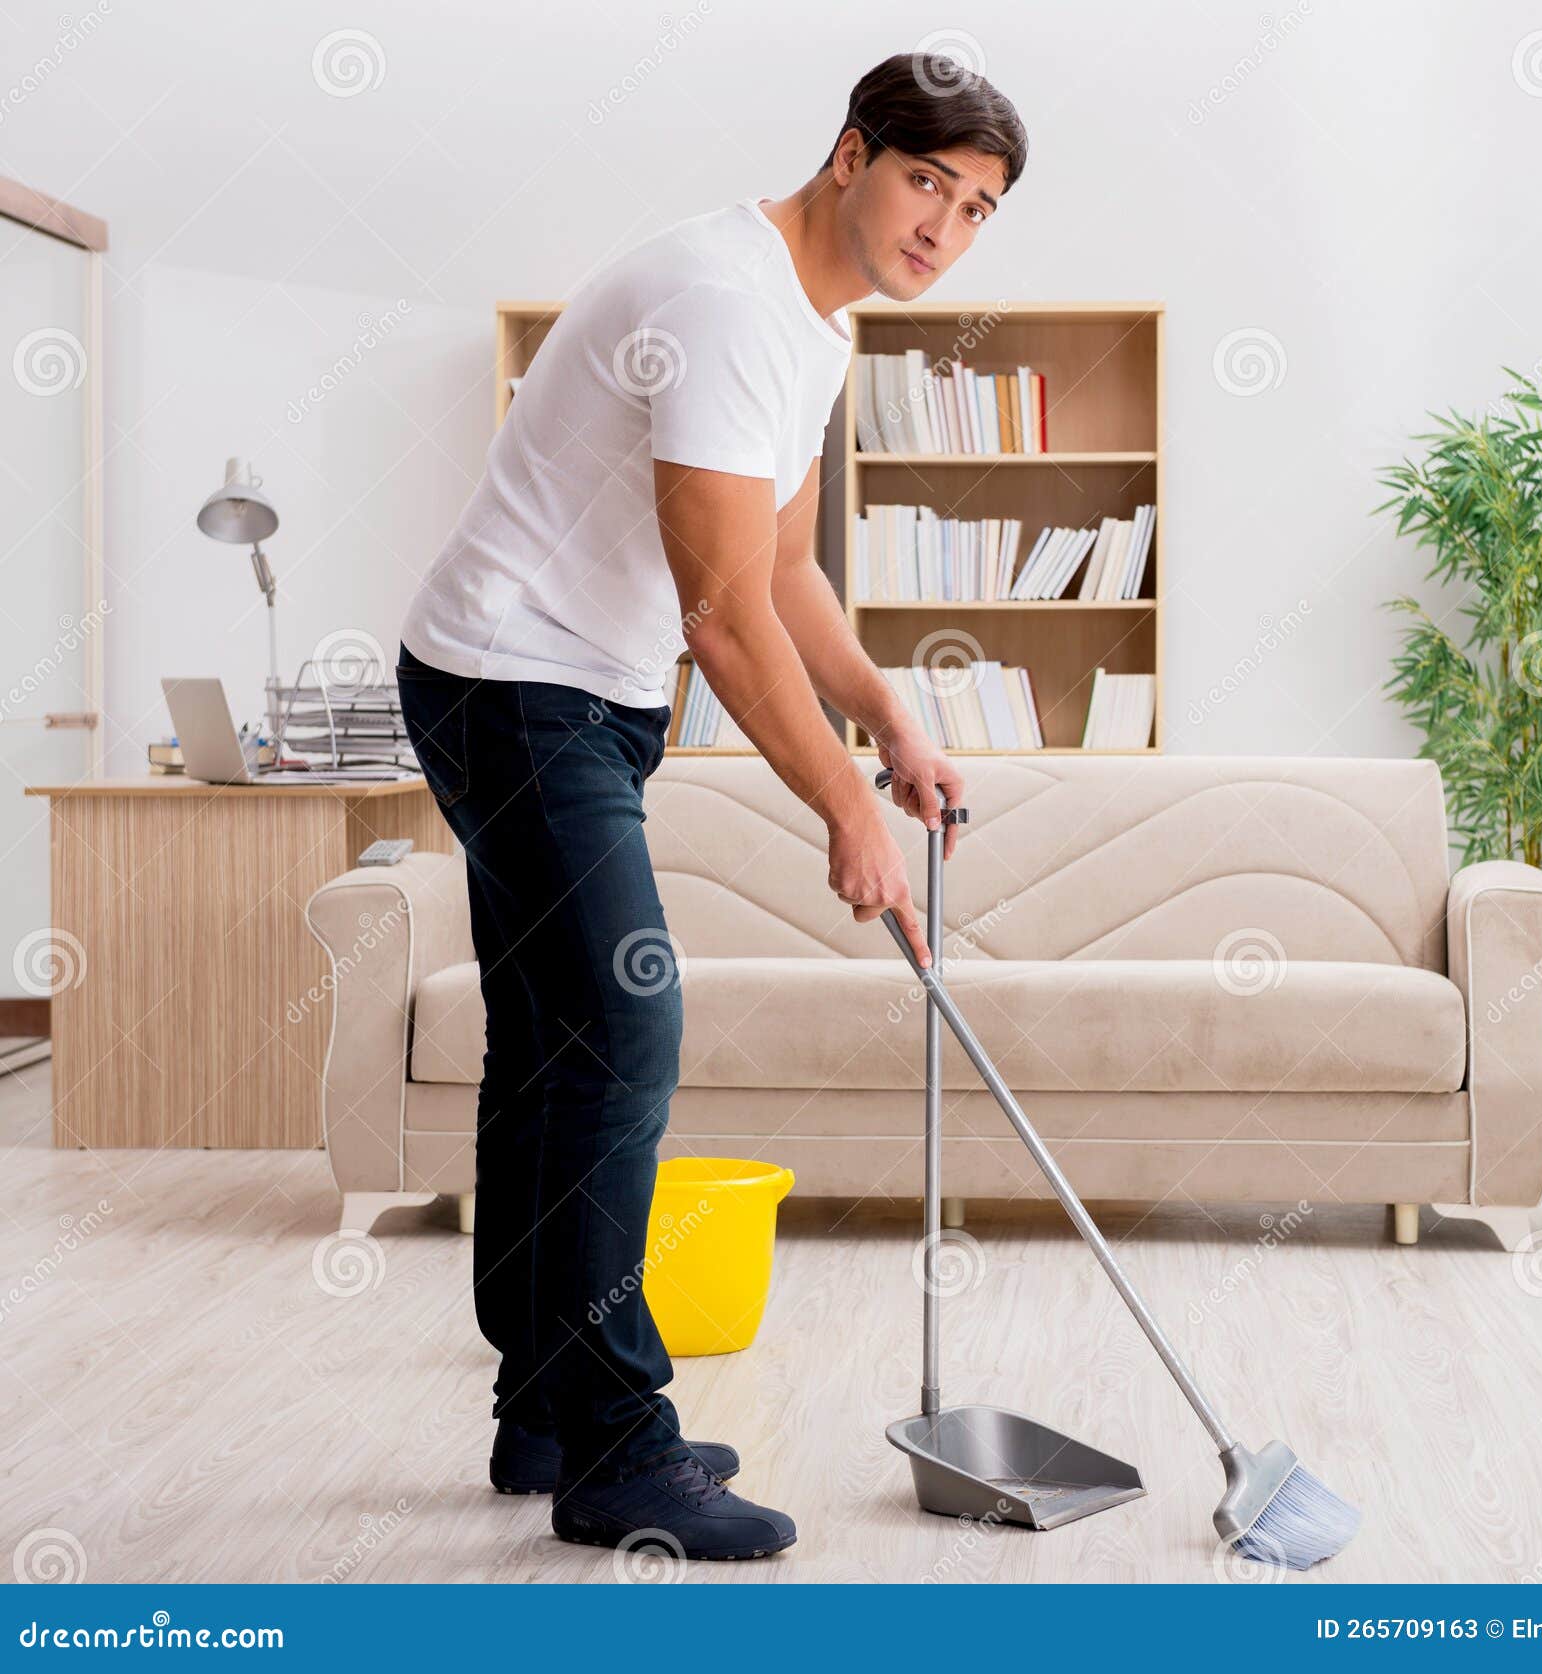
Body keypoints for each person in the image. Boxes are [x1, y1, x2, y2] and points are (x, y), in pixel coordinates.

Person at [395, 50, 1027, 1562]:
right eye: (926, 181)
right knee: (623, 1029)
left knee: (556, 1041)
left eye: (980, 208)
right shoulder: (732, 302)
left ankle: (550, 1399)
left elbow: (790, 570)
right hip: (516, 688)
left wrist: (887, 714)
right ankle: (619, 1447)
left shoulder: (808, 324)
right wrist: (844, 812)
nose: (945, 226)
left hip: (577, 697)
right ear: (850, 153)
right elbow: (725, 612)